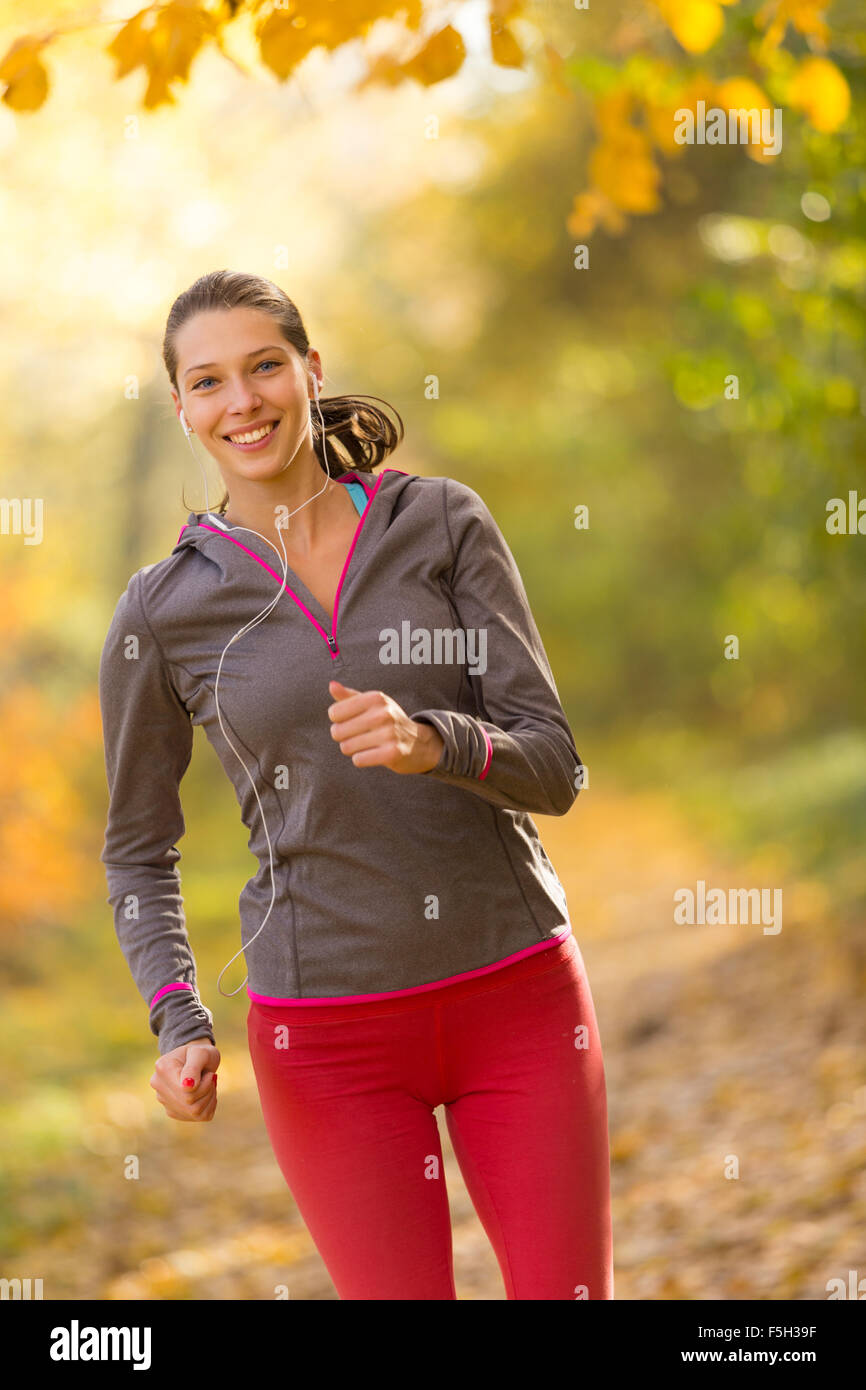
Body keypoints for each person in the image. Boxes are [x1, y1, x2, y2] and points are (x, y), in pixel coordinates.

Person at [98, 268, 613, 1300]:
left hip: (514, 987)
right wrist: (178, 1015)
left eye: (262, 367)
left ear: (309, 370)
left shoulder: (440, 523)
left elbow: (553, 763)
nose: (240, 401)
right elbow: (136, 846)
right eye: (207, 382)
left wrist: (440, 743)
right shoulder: (164, 609)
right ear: (182, 409)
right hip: (322, 1033)